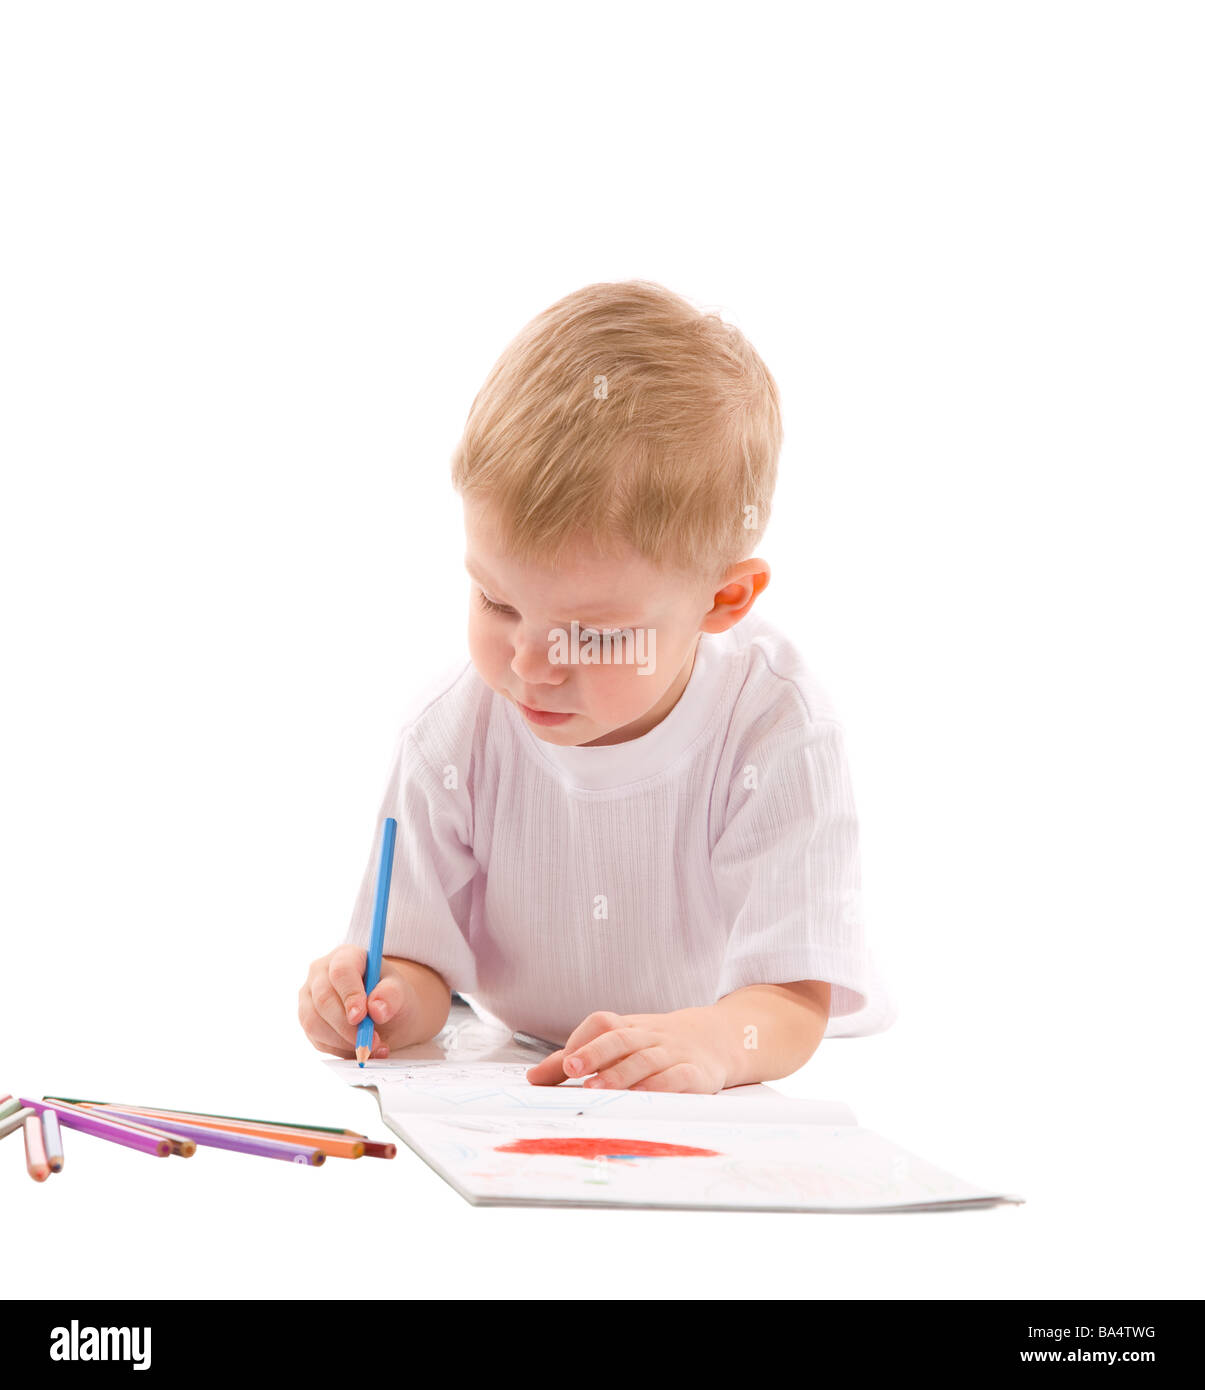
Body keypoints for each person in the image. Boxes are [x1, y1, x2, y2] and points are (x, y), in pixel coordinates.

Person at [298, 280, 895, 1093]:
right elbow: (417, 959)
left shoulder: (776, 727)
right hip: (520, 1071)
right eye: (497, 602)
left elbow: (790, 999)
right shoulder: (452, 733)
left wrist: (713, 1043)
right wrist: (385, 998)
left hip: (717, 1081)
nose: (531, 665)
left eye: (597, 633)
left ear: (722, 602)